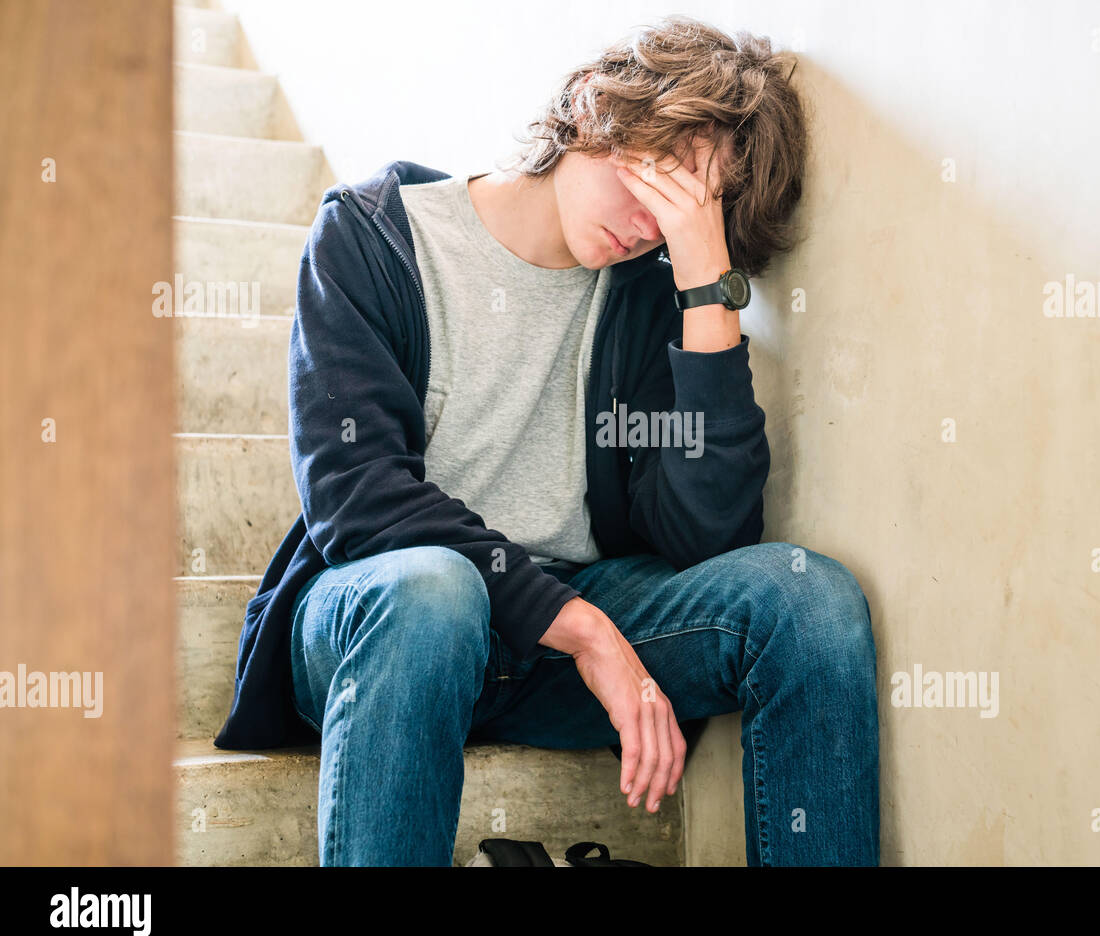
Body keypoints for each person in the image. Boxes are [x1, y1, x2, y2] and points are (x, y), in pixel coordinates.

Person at [216, 14, 878, 866]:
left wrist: (706, 289)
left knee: (807, 598)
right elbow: (358, 500)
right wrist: (584, 629)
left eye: (684, 213)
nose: (650, 226)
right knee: (433, 590)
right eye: (656, 182)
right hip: (391, 627)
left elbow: (705, 537)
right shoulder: (373, 239)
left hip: (556, 649)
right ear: (593, 108)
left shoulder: (645, 297)